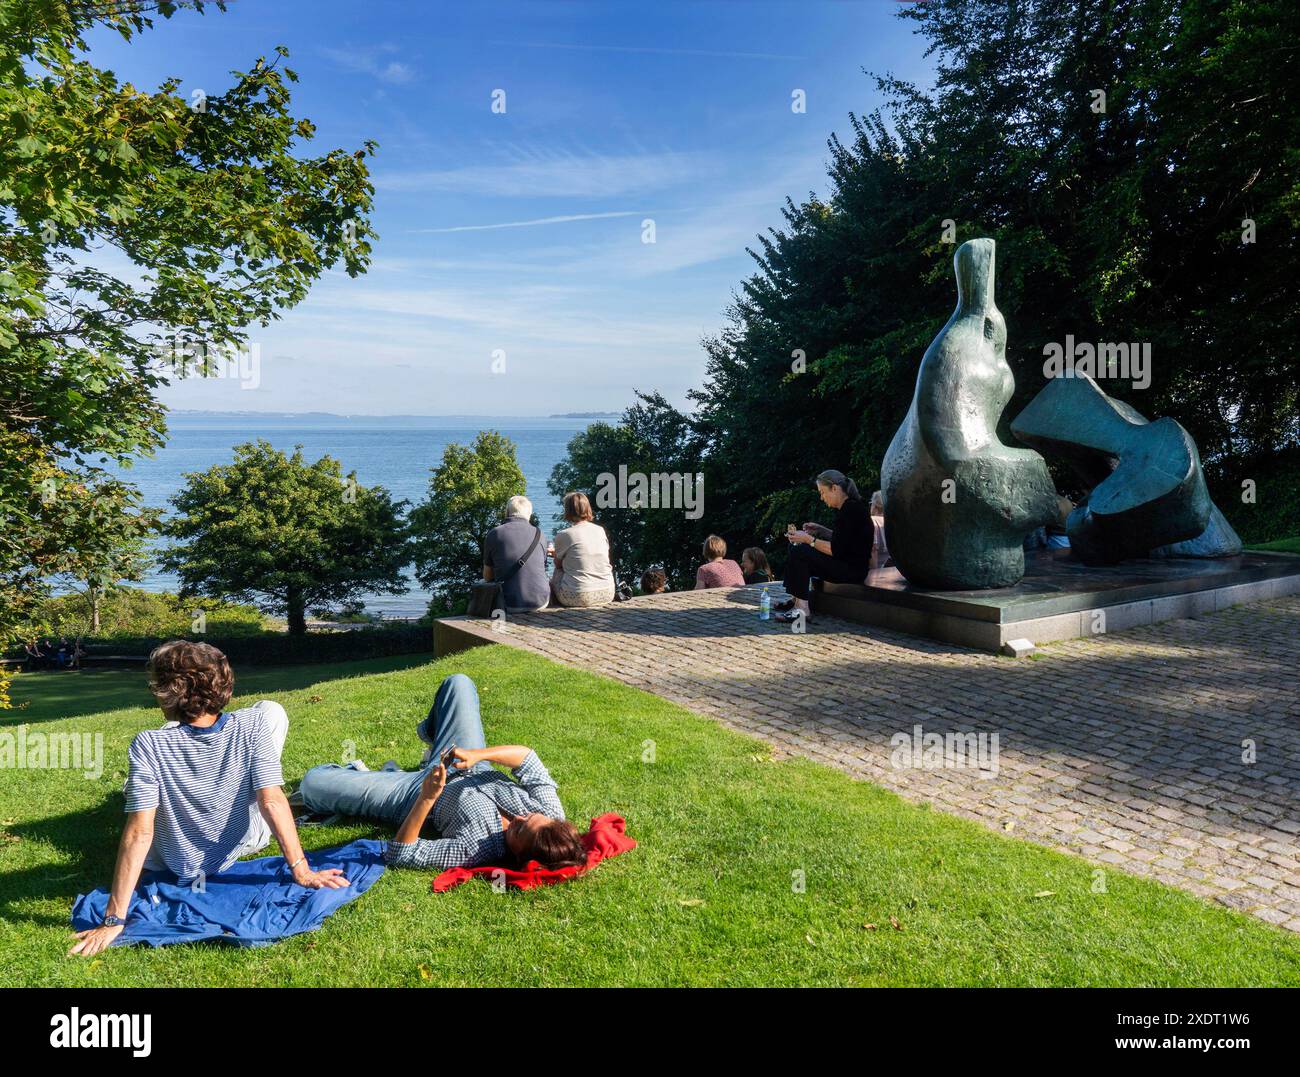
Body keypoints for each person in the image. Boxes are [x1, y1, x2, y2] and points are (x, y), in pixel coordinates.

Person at [69, 641, 347, 957]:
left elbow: (139, 833)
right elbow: (271, 801)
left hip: (176, 862)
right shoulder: (253, 726)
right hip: (241, 842)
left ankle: (143, 784)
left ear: (166, 691)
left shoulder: (149, 744)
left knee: (164, 749)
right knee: (271, 710)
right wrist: (302, 870)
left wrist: (113, 919)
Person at [299, 673, 586, 872]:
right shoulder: (549, 815)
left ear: (519, 855)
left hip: (413, 794)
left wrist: (427, 797)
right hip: (467, 760)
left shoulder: (475, 850)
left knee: (314, 783)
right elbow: (527, 759)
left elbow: (402, 853)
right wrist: (478, 754)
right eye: (530, 817)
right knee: (458, 684)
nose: (520, 818)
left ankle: (368, 774)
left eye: (520, 829)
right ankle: (432, 735)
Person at [773, 470, 874, 624]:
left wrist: (809, 539)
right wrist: (821, 530)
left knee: (800, 550)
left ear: (834, 488)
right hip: (851, 566)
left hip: (851, 570)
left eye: (822, 492)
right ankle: (795, 600)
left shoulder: (850, 509)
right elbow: (847, 541)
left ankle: (802, 610)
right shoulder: (852, 507)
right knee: (796, 548)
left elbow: (837, 550)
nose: (821, 497)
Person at [482, 495, 549, 613]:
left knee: (482, 583)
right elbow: (542, 567)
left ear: (507, 512)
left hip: (507, 603)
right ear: (529, 514)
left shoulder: (494, 534)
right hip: (540, 601)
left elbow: (488, 576)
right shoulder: (540, 534)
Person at [550, 491, 616, 607]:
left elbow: (558, 565)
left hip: (579, 596)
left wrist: (554, 554)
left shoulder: (565, 534)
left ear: (567, 510)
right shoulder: (600, 530)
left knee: (557, 573)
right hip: (608, 592)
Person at [869, 490, 891, 569]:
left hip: (878, 570)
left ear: (875, 506)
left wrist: (874, 573)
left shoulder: (872, 521)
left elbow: (873, 549)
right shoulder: (892, 521)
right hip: (891, 569)